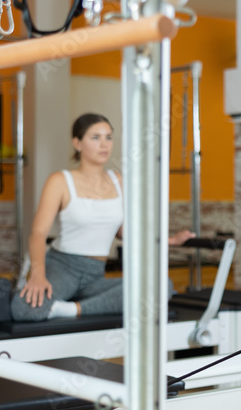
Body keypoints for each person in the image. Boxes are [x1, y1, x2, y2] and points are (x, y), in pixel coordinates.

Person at [12, 113, 193, 321]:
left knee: (161, 286)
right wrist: (38, 274)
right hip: (63, 267)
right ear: (77, 143)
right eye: (95, 137)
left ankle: (71, 309)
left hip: (95, 274)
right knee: (23, 308)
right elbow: (38, 233)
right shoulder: (60, 181)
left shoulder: (118, 181)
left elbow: (126, 233)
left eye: (108, 137)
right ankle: (72, 305)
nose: (104, 144)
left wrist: (171, 241)